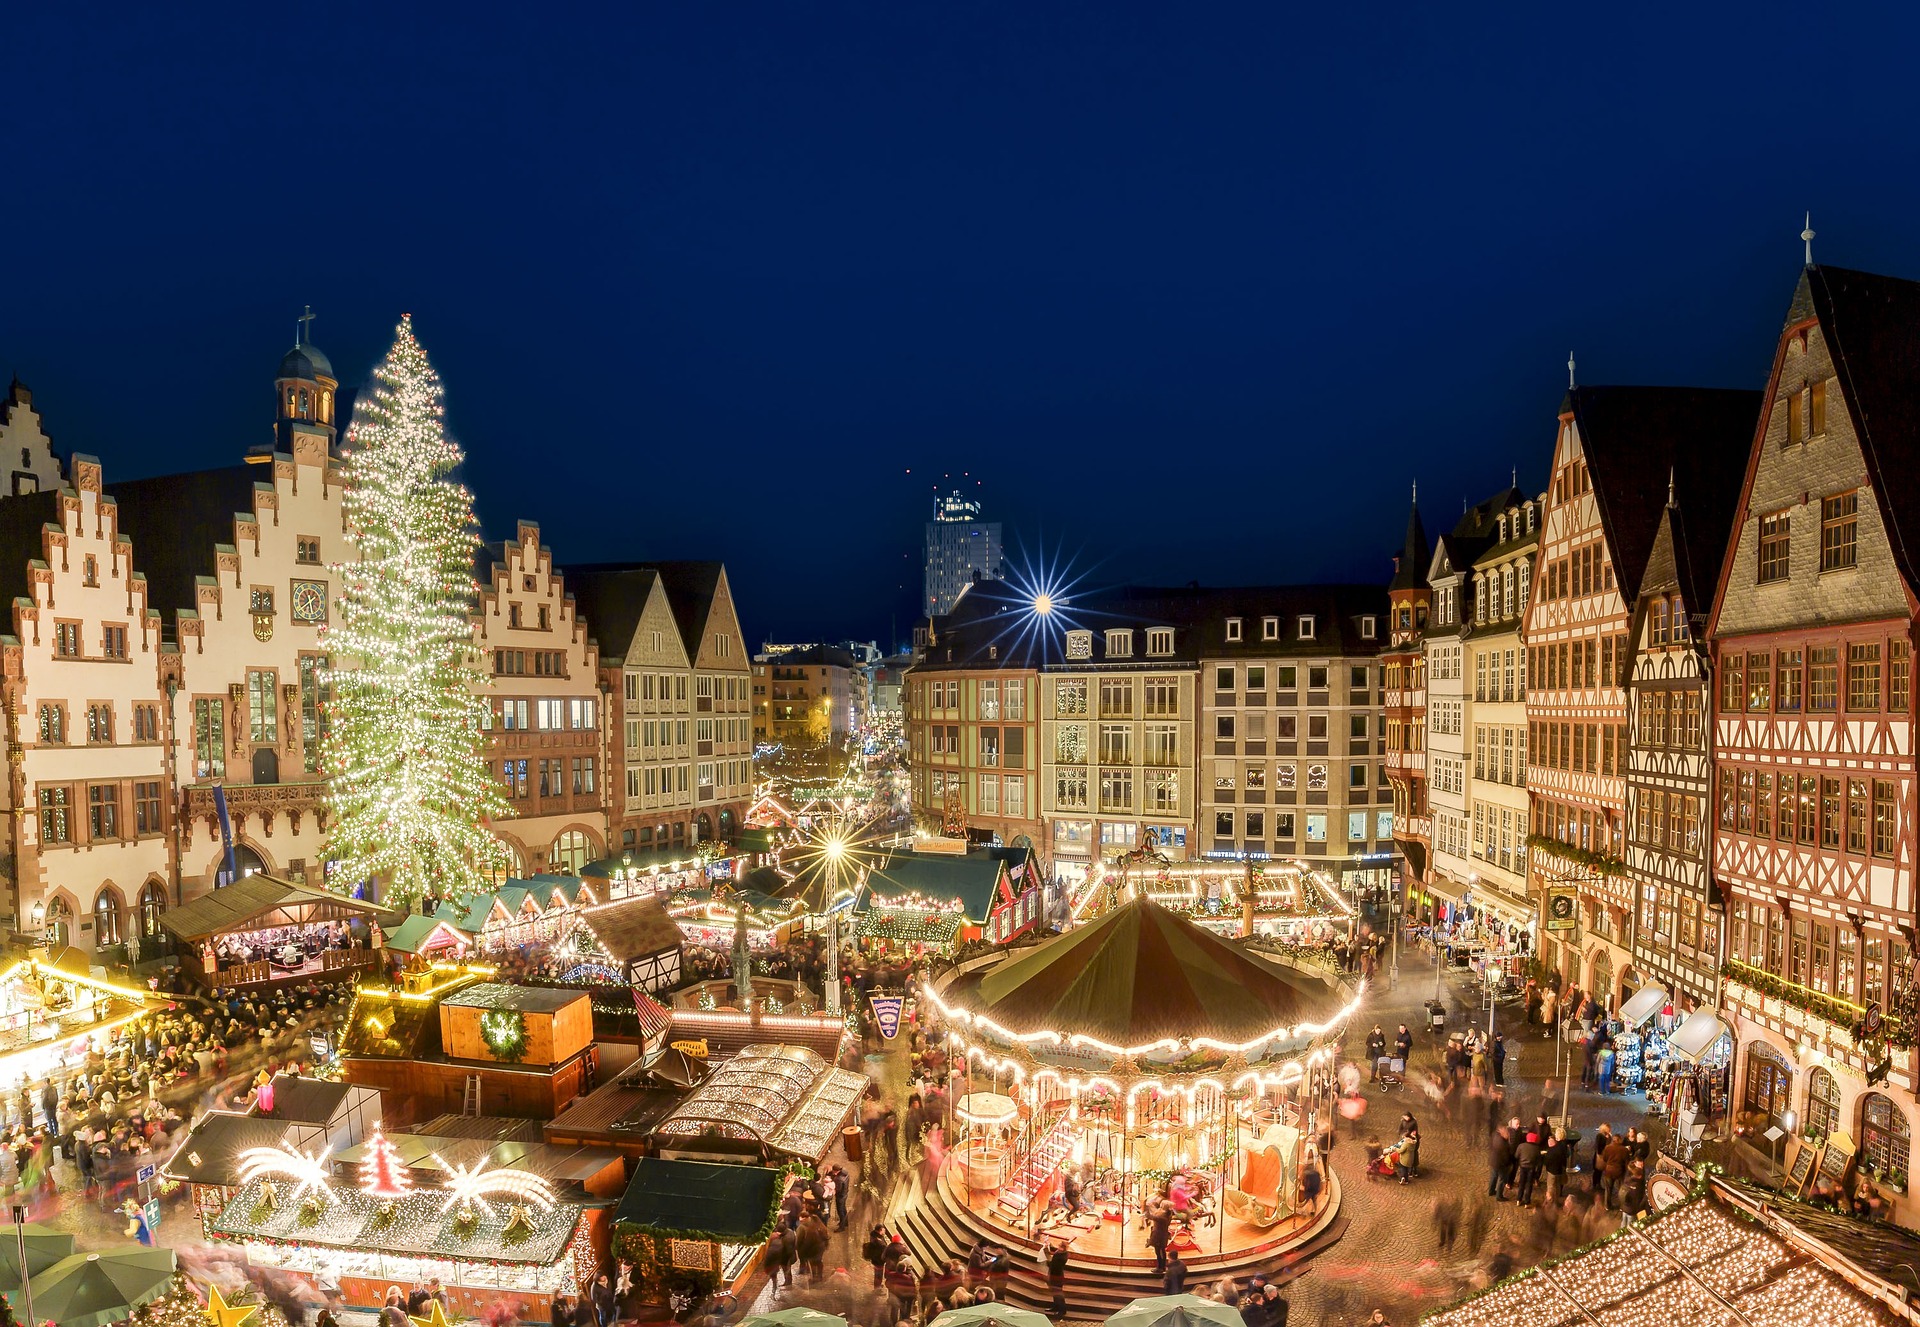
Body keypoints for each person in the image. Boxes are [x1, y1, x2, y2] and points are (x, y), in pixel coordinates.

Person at [1513, 1129, 1543, 1206]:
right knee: (1529, 1185)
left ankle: (1518, 1200)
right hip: (1531, 1168)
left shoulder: (1521, 1146)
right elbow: (1539, 1160)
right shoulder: (1536, 1148)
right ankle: (1527, 1202)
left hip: (1523, 1167)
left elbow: (1516, 1156)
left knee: (1521, 1183)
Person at [1146, 1192, 1173, 1274]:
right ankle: (1161, 1267)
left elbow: (1151, 1216)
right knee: (1161, 1251)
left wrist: (1147, 1207)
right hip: (1160, 1234)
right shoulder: (1164, 1213)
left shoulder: (1162, 1217)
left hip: (1159, 1236)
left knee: (1159, 1252)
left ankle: (1160, 1267)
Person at [1044, 1235, 1070, 1319]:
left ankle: (1062, 1310)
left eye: (1059, 1246)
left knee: (1058, 1295)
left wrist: (1046, 1253)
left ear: (1063, 1248)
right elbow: (1053, 1250)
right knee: (1055, 1294)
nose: (1058, 1247)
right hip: (1054, 1275)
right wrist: (1049, 1244)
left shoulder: (1062, 1257)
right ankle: (1055, 1307)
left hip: (1057, 1277)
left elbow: (1052, 1264)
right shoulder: (1060, 1253)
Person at [765, 1224, 794, 1290]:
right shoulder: (790, 1231)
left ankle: (788, 1283)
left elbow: (787, 1251)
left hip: (786, 1258)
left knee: (786, 1270)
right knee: (787, 1270)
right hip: (788, 1257)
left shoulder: (786, 1239)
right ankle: (787, 1282)